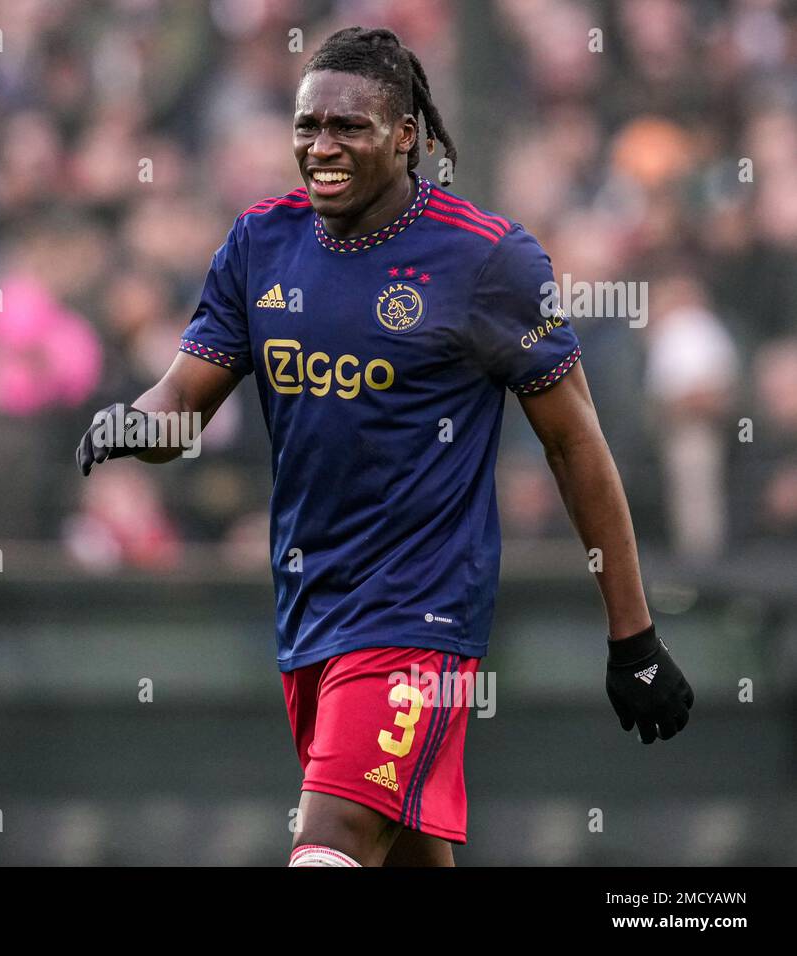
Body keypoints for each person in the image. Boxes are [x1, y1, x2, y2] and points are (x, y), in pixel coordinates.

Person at [75, 27, 693, 867]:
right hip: (310, 614)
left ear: (406, 135)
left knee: (327, 845)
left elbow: (576, 446)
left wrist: (635, 637)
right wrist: (134, 425)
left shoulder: (486, 260)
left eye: (348, 127)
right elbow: (182, 402)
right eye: (306, 126)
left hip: (420, 617)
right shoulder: (262, 243)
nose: (321, 146)